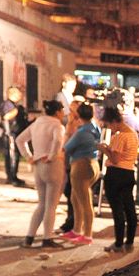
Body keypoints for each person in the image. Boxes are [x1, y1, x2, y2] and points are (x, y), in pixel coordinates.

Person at [16, 100, 66, 248]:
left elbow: (20, 140)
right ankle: (47, 237)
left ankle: (29, 237)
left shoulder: (37, 123)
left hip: (38, 164)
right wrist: (51, 156)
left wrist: (28, 156)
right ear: (57, 112)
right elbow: (57, 141)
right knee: (51, 204)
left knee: (42, 203)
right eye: (62, 111)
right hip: (52, 165)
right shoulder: (57, 125)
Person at [97, 107, 139, 251]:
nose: (109, 128)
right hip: (128, 173)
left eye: (109, 125)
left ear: (114, 122)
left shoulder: (120, 136)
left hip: (115, 174)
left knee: (117, 210)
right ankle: (130, 242)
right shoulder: (133, 134)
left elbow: (115, 159)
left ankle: (118, 243)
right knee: (129, 209)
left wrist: (104, 149)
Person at [61, 103, 101, 245]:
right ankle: (77, 230)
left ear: (78, 115)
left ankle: (87, 234)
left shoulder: (81, 132)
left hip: (81, 166)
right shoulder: (94, 127)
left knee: (84, 201)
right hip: (93, 163)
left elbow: (66, 148)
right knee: (75, 198)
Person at [55, 74, 78, 233]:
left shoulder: (78, 125)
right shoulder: (60, 97)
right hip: (69, 160)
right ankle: (71, 222)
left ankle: (73, 223)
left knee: (72, 191)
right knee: (69, 190)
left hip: (75, 161)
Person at [0, 85, 28, 187]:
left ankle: (14, 176)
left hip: (15, 134)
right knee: (12, 156)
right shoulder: (7, 104)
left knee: (15, 156)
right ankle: (11, 177)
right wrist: (16, 111)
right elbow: (5, 116)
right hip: (10, 134)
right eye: (19, 93)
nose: (21, 95)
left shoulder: (14, 105)